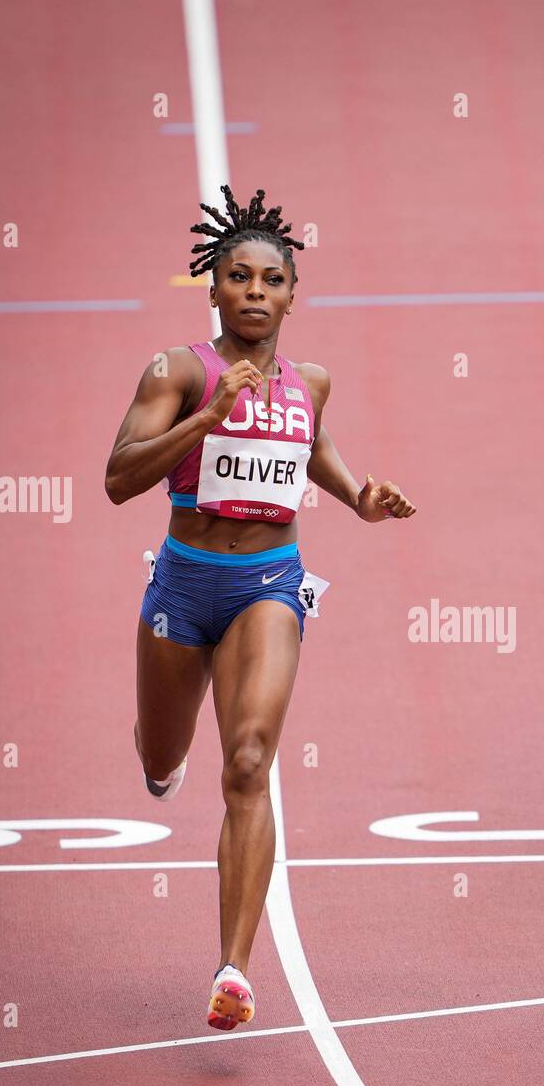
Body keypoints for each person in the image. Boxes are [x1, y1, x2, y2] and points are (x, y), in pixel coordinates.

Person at [105, 186, 416, 1028]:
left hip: (268, 585)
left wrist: (360, 496)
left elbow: (310, 450)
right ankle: (155, 751)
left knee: (248, 762)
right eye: (235, 276)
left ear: (290, 293)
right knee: (164, 759)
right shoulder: (178, 370)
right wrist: (204, 419)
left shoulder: (309, 382)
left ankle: (233, 970)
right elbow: (117, 479)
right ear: (212, 288)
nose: (252, 291)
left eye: (268, 279)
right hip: (183, 582)